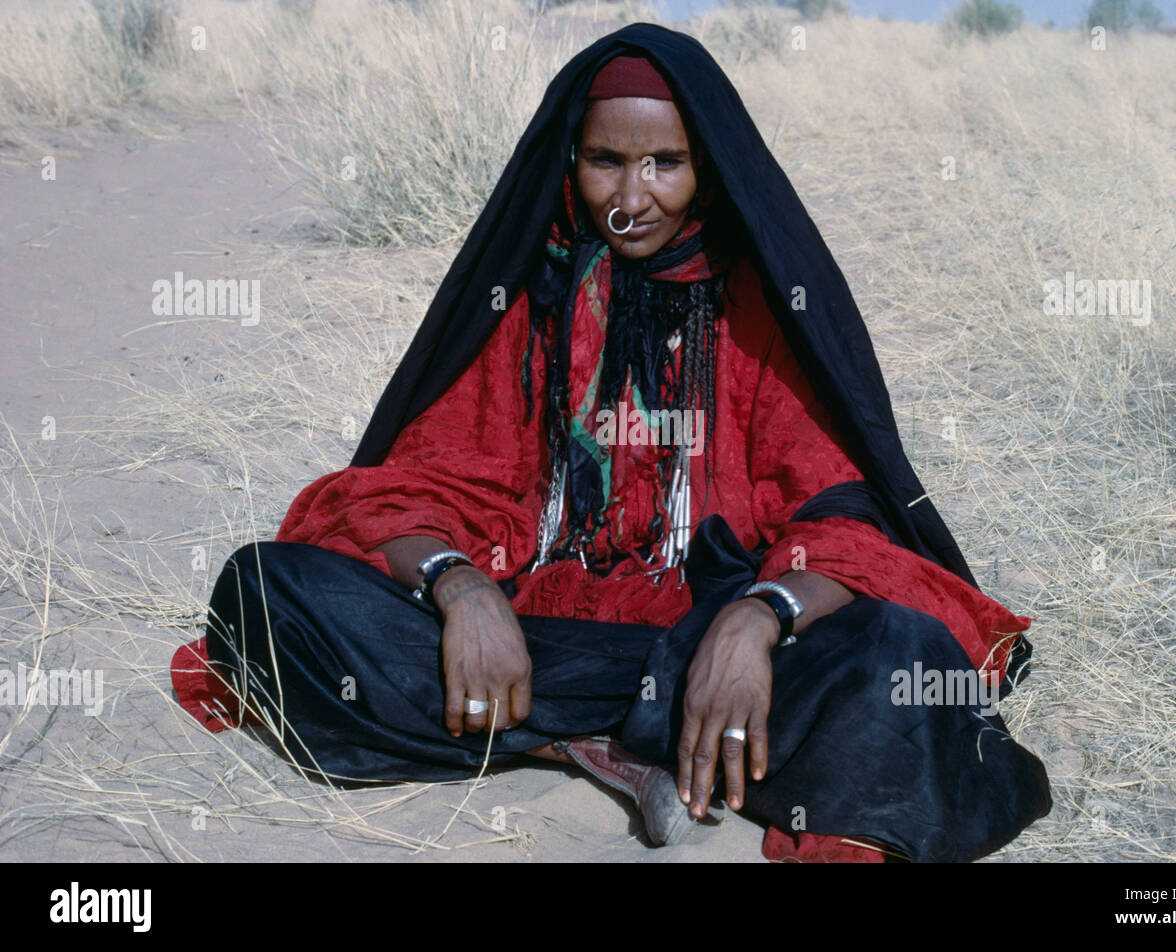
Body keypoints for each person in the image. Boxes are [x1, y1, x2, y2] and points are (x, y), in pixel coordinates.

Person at [171, 23, 1051, 862]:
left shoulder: (757, 313)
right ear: (571, 163)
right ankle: (615, 749)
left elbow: (843, 517)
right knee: (268, 591)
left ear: (707, 168)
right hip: (528, 631)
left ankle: (564, 735)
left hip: (698, 646)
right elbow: (416, 485)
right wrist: (457, 584)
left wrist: (759, 617)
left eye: (664, 163)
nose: (631, 201)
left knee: (897, 655)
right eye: (606, 162)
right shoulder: (528, 301)